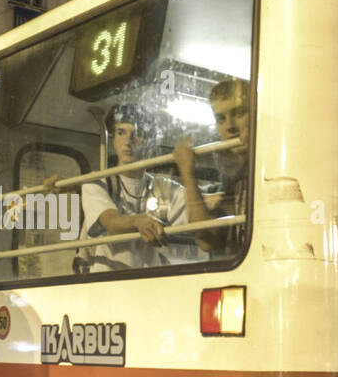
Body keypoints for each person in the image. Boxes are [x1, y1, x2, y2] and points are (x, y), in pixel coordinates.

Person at [73, 103, 190, 272]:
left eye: (138, 134)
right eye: (121, 132)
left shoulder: (164, 188)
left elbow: (196, 217)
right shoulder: (97, 182)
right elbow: (110, 221)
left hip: (149, 283)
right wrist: (138, 221)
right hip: (106, 283)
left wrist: (190, 173)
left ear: (149, 143)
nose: (128, 141)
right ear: (114, 140)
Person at [172, 78, 252, 258]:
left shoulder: (273, 164)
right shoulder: (231, 181)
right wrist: (187, 172)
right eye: (221, 119)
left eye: (239, 113)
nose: (230, 126)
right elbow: (207, 240)